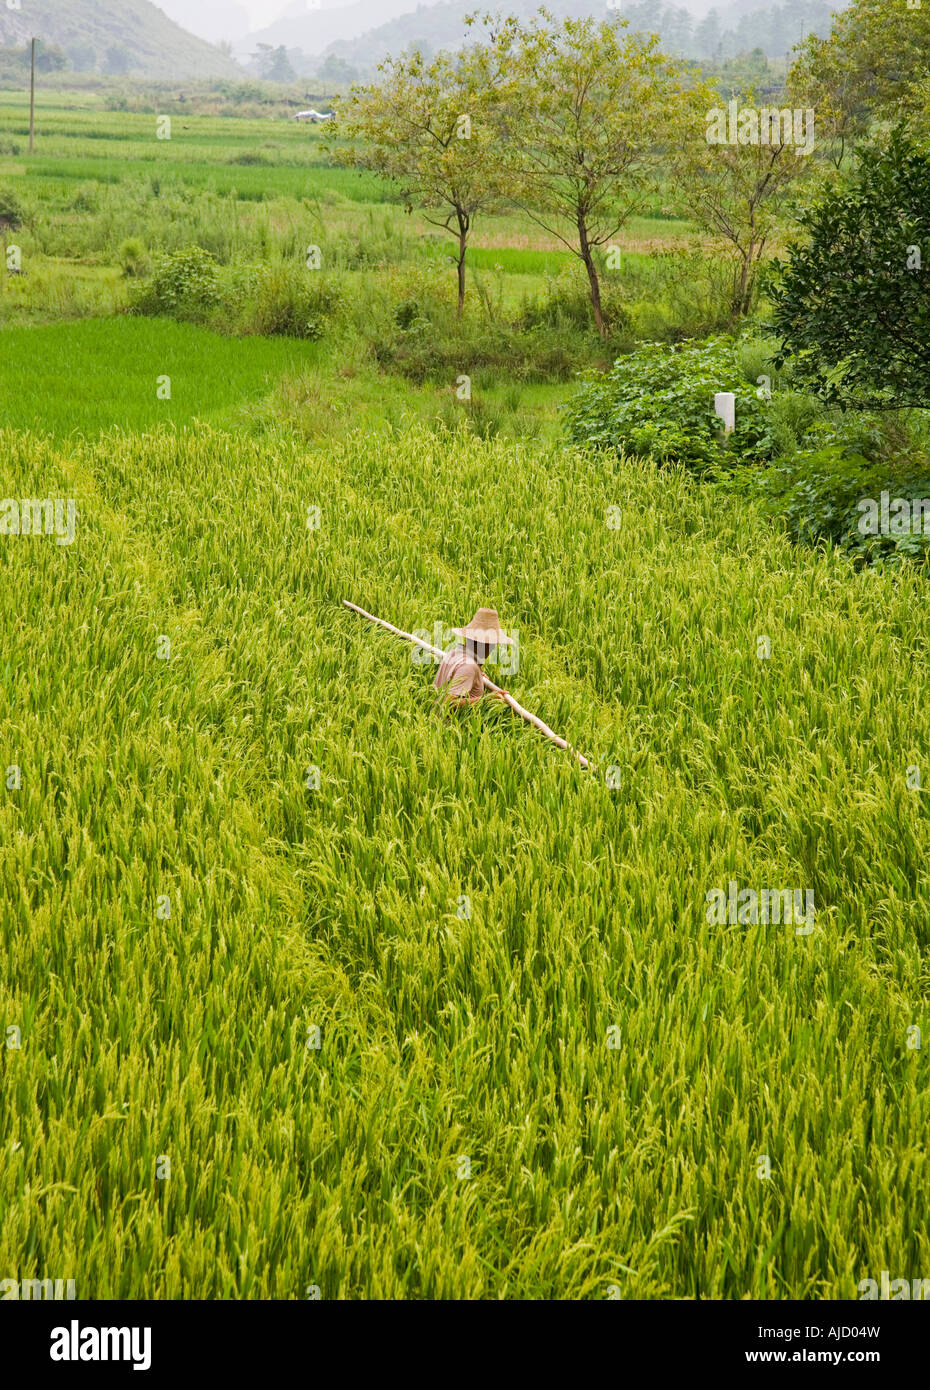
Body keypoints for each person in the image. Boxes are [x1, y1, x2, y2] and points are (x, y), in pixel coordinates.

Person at [434, 607, 512, 706]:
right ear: (485, 644)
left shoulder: (453, 654)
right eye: (492, 644)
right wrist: (487, 698)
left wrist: (477, 676)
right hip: (449, 721)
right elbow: (449, 703)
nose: (492, 649)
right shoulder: (469, 667)